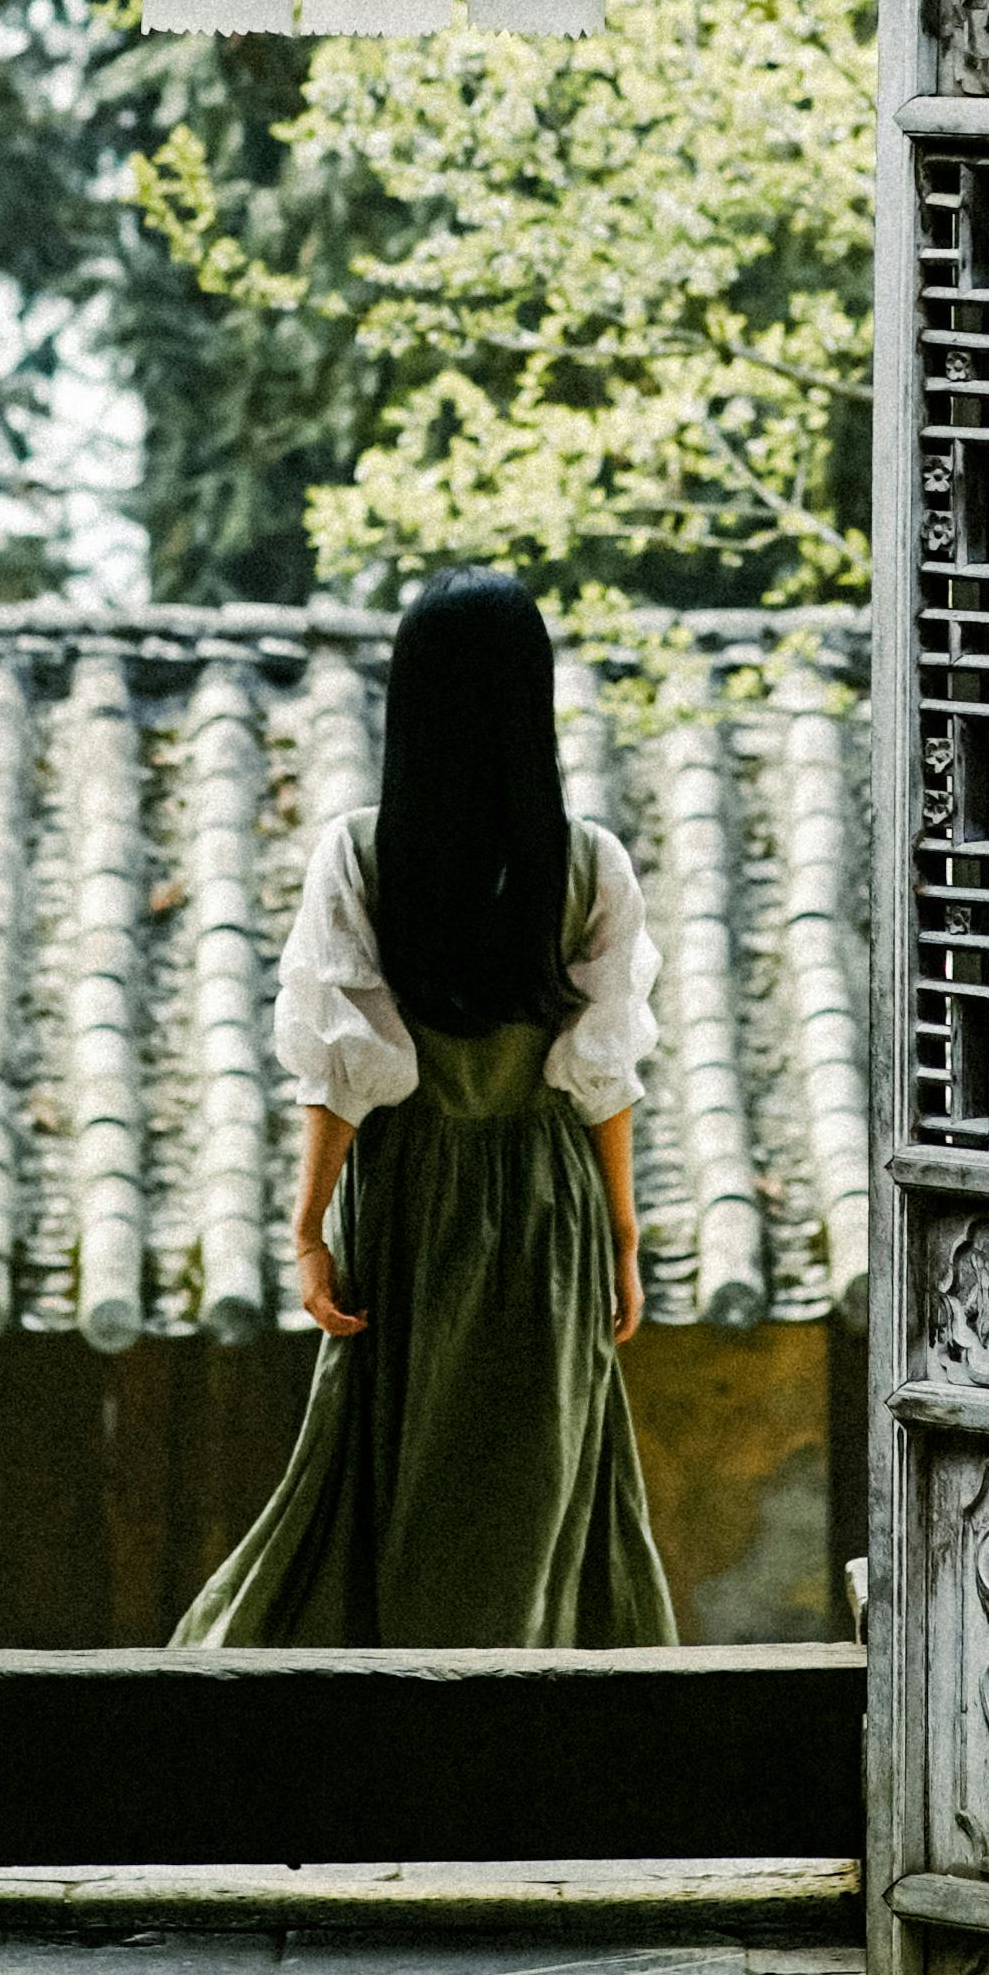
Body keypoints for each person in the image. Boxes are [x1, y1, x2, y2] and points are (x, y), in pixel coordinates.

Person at [172, 574, 682, 1651]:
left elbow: (345, 1073)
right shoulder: (588, 863)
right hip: (551, 1205)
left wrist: (309, 1230)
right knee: (542, 1477)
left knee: (380, 1466)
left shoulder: (362, 854)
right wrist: (623, 1238)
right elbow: (602, 1076)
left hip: (409, 1198)